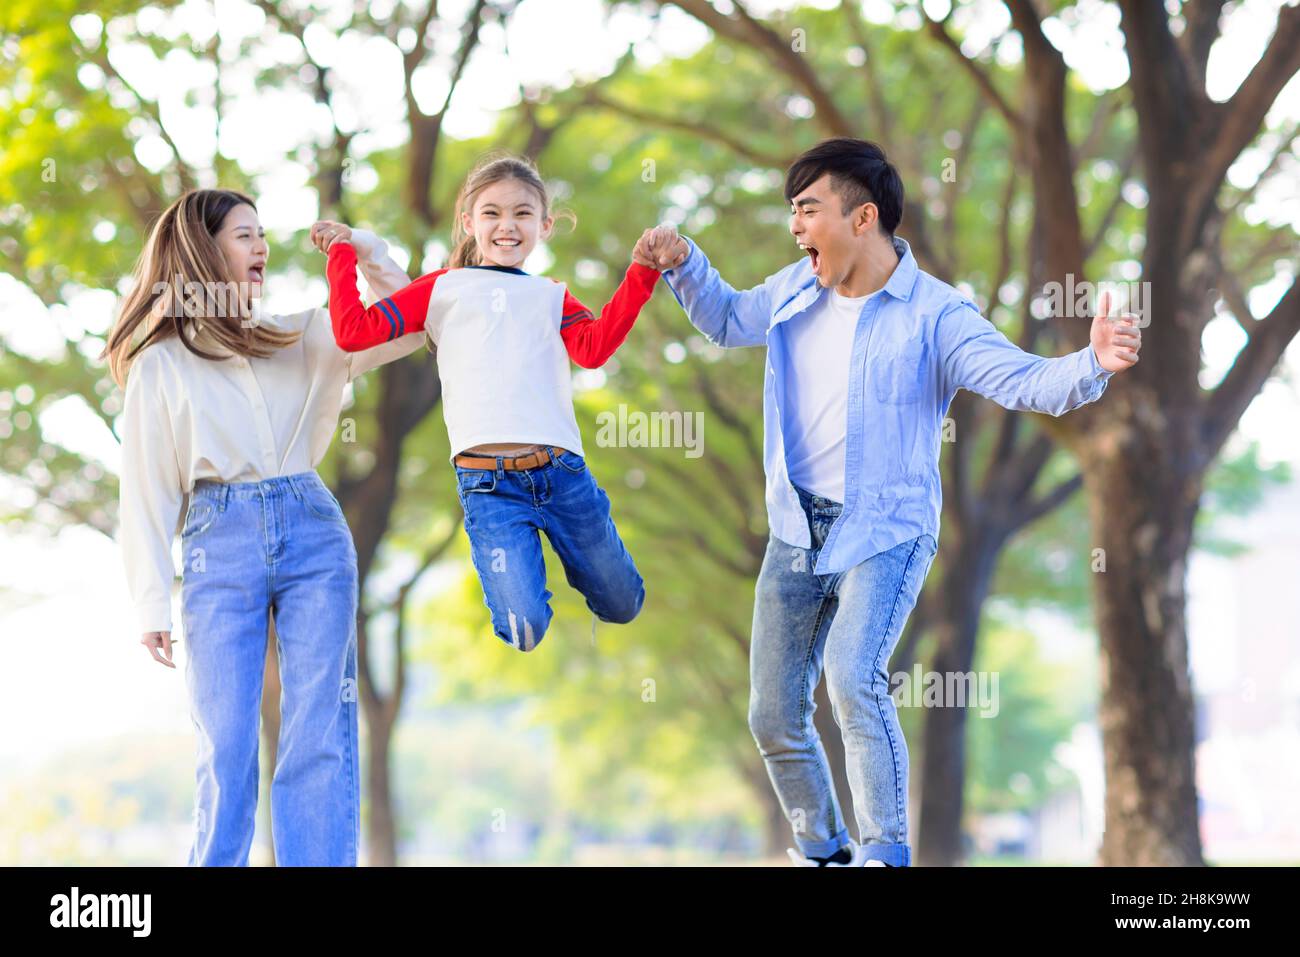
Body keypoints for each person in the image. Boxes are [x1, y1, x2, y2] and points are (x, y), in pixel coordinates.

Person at [634, 137, 1141, 866]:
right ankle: (823, 850)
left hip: (885, 531)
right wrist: (685, 262)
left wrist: (1091, 362)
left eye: (808, 210)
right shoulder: (794, 289)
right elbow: (727, 319)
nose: (796, 228)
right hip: (794, 528)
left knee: (852, 678)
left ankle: (884, 852)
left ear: (863, 216)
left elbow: (1022, 380)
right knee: (773, 715)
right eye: (792, 213)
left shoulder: (937, 315)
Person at [106, 189, 426, 865]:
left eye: (261, 235)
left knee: (318, 730)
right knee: (224, 739)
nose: (262, 248)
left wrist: (364, 251)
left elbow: (413, 322)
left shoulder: (306, 333)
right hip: (218, 543)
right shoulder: (161, 364)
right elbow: (146, 489)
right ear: (202, 249)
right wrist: (149, 601)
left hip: (313, 532)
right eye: (245, 235)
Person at [324, 153, 680, 652]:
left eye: (522, 213)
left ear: (544, 225)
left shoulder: (553, 296)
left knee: (622, 603)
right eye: (491, 213)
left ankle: (579, 562)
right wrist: (345, 254)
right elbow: (354, 332)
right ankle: (525, 573)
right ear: (469, 223)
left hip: (562, 476)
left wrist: (642, 271)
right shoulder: (441, 289)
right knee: (523, 629)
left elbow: (594, 349)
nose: (506, 225)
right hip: (489, 486)